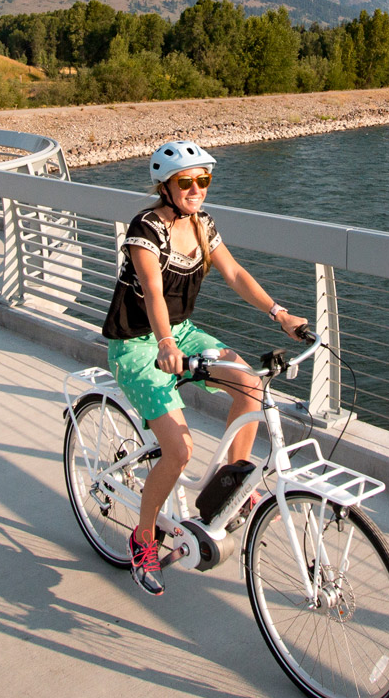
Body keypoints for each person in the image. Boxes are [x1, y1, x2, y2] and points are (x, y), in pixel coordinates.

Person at [102, 139, 309, 596]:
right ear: (166, 186)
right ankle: (143, 539)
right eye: (186, 182)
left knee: (251, 387)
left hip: (184, 332)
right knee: (179, 451)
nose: (196, 189)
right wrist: (164, 343)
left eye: (203, 180)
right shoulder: (147, 228)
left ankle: (229, 490)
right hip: (141, 345)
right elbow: (153, 293)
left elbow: (234, 273)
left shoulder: (202, 225)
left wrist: (281, 314)